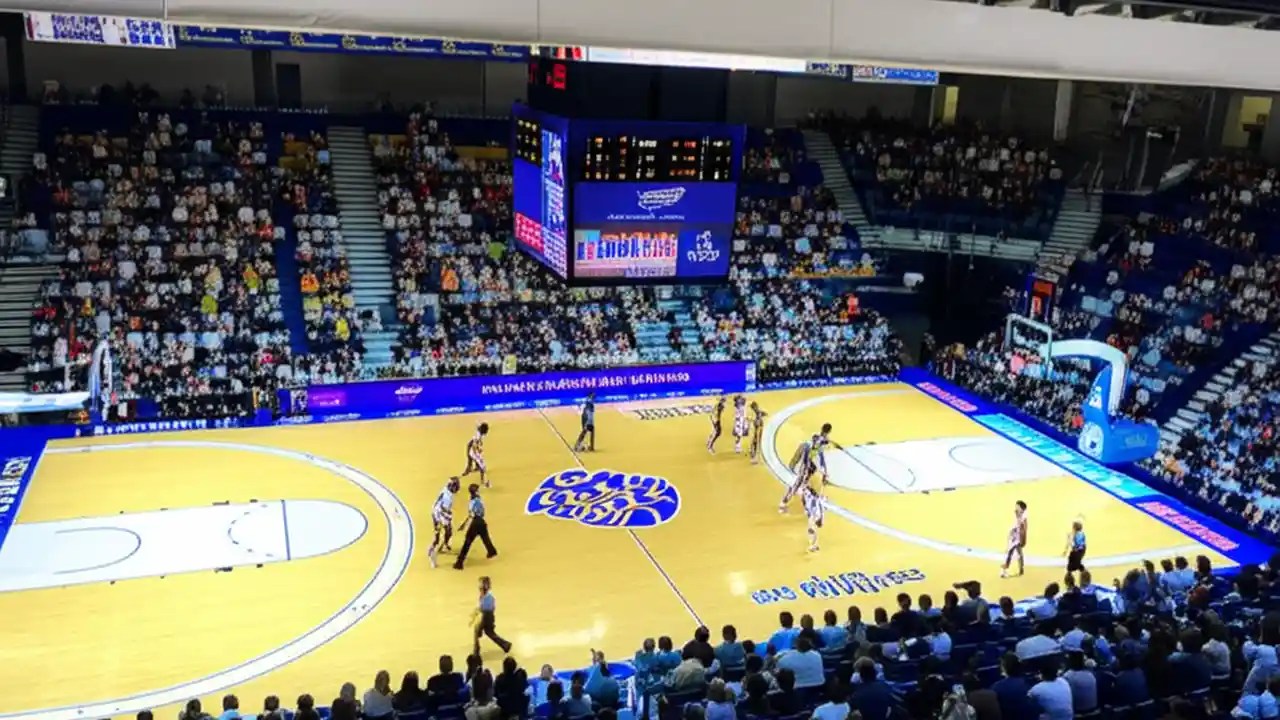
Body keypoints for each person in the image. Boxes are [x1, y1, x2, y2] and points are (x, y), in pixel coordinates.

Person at [454, 483, 497, 569]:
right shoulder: (479, 500)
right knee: (485, 537)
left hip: (475, 522)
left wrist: (464, 524)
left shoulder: (472, 502)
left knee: (467, 542)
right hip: (481, 521)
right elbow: (482, 512)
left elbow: (471, 515)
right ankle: (492, 551)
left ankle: (459, 563)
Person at [470, 576, 512, 656]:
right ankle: (506, 645)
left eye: (481, 584)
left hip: (487, 617)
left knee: (478, 630)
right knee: (489, 633)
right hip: (486, 616)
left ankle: (476, 650)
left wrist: (478, 612)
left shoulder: (489, 596)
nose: (479, 586)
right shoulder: (484, 595)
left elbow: (487, 608)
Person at [428, 476, 461, 568]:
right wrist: (449, 516)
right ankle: (432, 553)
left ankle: (444, 545)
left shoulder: (445, 489)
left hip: (435, 511)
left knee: (445, 532)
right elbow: (444, 509)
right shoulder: (448, 498)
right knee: (441, 535)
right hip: (440, 515)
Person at [1000, 501, 1028, 578]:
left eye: (1017, 506)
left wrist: (1023, 538)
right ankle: (1007, 566)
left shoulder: (1024, 517)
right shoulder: (1017, 513)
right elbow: (1016, 523)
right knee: (1011, 552)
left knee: (1018, 554)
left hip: (1018, 538)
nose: (1016, 507)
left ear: (1021, 508)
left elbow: (1024, 528)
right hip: (1014, 537)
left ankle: (1019, 569)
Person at [462, 422, 490, 488]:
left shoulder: (479, 432)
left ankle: (474, 468)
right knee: (482, 466)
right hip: (474, 451)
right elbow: (474, 445)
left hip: (474, 450)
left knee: (476, 462)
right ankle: (482, 481)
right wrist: (478, 451)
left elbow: (478, 427)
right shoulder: (478, 436)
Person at [801, 483, 824, 552]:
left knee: (811, 529)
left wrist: (820, 517)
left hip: (814, 514)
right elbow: (805, 503)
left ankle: (813, 545)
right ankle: (814, 545)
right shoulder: (808, 496)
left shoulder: (813, 498)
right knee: (812, 529)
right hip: (813, 513)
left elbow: (816, 506)